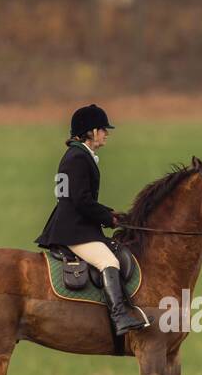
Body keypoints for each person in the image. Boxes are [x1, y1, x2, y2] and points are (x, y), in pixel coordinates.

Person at [35, 104, 147, 333]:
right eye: (103, 129)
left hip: (75, 224)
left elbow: (81, 198)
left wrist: (108, 213)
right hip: (73, 229)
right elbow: (81, 201)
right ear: (91, 131)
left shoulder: (78, 155)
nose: (107, 134)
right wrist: (107, 218)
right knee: (109, 261)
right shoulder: (78, 157)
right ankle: (120, 317)